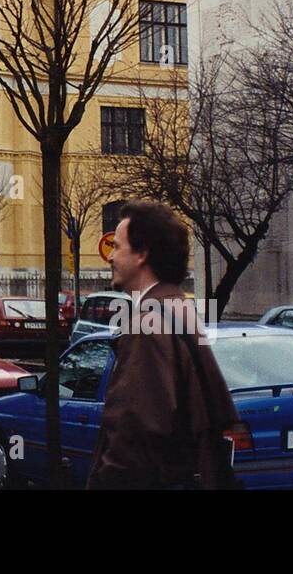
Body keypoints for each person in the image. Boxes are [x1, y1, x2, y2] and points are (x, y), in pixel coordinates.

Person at [86, 201, 240, 490]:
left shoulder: (147, 324)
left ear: (142, 254)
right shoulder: (178, 308)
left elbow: (135, 436)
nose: (110, 257)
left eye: (117, 246)